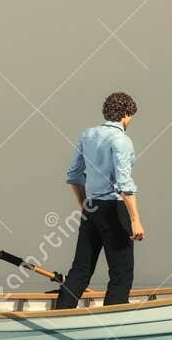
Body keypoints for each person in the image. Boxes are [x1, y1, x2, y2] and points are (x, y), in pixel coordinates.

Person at [56, 92, 146, 309]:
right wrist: (135, 219)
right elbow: (125, 183)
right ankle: (113, 320)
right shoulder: (121, 140)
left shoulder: (87, 135)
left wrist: (84, 206)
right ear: (125, 114)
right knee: (121, 271)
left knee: (80, 269)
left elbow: (74, 175)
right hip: (114, 208)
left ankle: (61, 314)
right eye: (131, 116)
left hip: (92, 208)